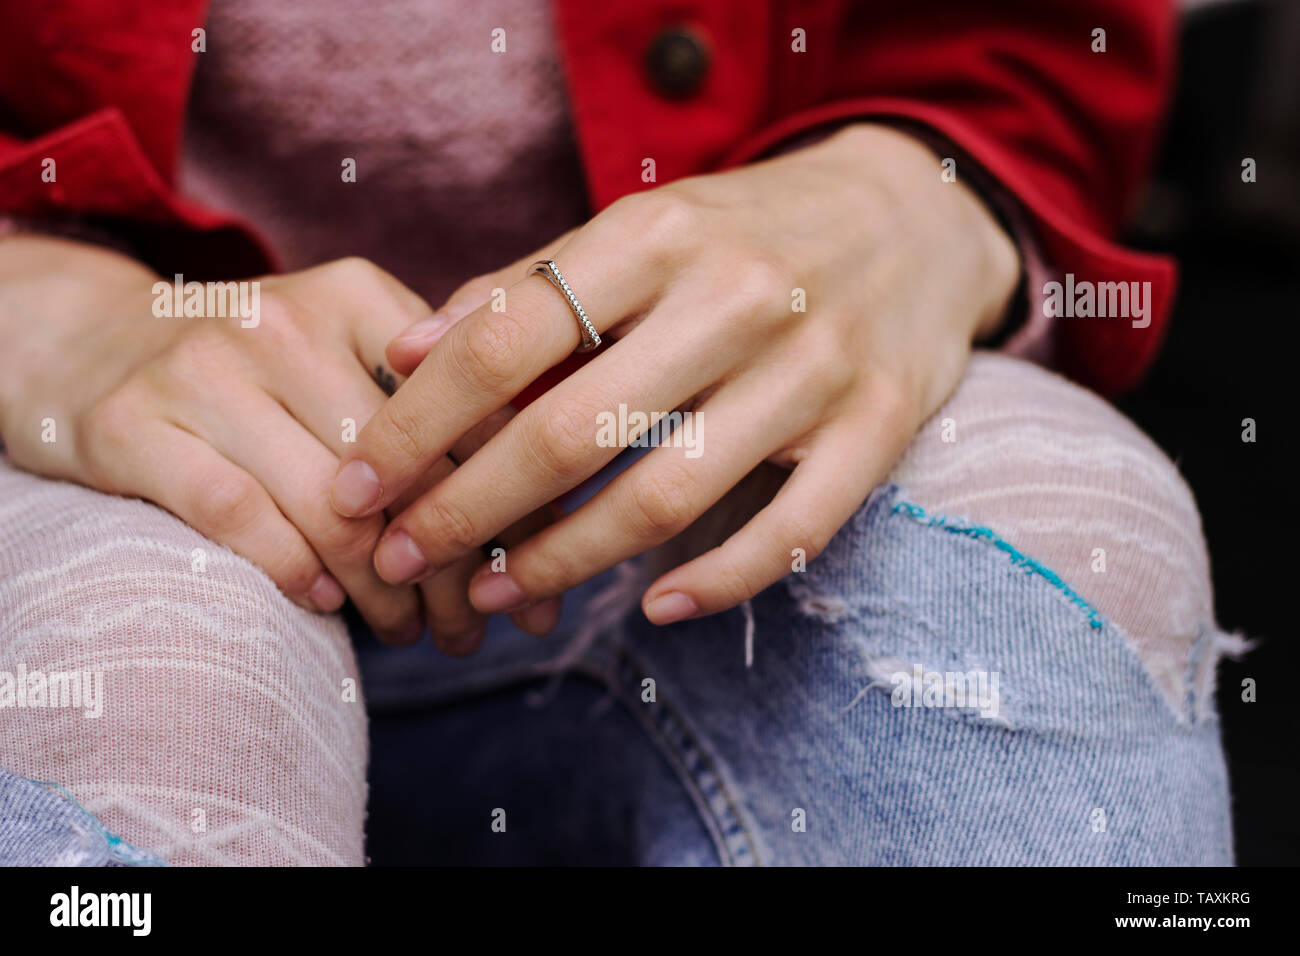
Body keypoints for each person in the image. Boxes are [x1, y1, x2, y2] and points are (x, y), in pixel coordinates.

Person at [0, 0, 1238, 865]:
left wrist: (916, 189)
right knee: (144, 671)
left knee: (1057, 547)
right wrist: (43, 304)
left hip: (732, 427)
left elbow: (1042, 46)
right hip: (86, 425)